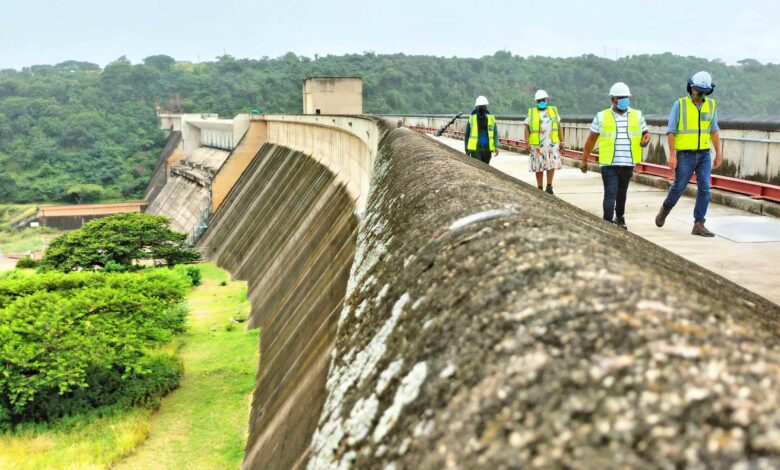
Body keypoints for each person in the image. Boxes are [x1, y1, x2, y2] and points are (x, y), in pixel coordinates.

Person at [655, 71, 722, 237]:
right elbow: (671, 131)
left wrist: (718, 153)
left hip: (704, 154)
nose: (700, 96)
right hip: (685, 155)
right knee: (679, 187)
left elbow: (714, 130)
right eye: (698, 92)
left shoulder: (711, 105)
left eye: (704, 93)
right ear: (691, 88)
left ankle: (699, 224)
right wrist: (672, 155)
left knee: (705, 189)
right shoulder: (679, 104)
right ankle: (665, 209)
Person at [580, 82, 650, 229]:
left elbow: (646, 133)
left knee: (622, 193)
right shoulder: (601, 116)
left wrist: (646, 138)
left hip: (628, 162)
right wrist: (584, 159)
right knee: (610, 192)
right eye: (620, 97)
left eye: (626, 97)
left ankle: (619, 218)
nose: (624, 100)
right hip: (609, 163)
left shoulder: (637, 115)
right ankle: (607, 222)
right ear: (612, 99)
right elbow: (591, 139)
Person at [524, 90, 565, 194]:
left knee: (551, 165)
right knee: (539, 166)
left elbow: (559, 126)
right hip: (537, 145)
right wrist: (527, 143)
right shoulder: (532, 113)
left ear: (547, 100)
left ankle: (549, 186)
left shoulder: (553, 111)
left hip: (551, 144)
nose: (542, 101)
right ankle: (539, 187)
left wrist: (562, 141)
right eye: (539, 100)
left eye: (543, 100)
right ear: (536, 101)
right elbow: (526, 128)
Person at [464, 96, 499, 164]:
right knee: (478, 166)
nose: (482, 108)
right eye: (480, 106)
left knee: (485, 168)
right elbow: (467, 135)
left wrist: (496, 146)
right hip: (476, 149)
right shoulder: (472, 118)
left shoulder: (491, 118)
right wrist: (466, 149)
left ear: (486, 107)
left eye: (483, 106)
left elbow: (495, 132)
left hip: (487, 149)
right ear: (477, 107)